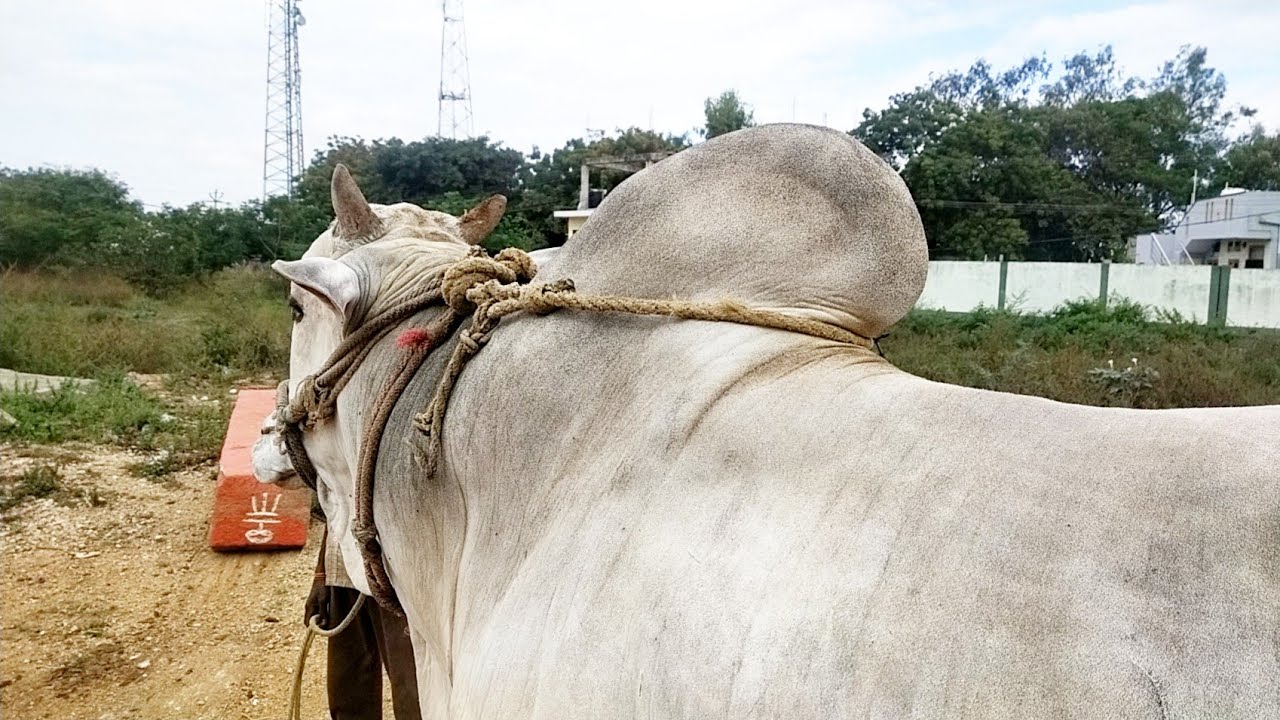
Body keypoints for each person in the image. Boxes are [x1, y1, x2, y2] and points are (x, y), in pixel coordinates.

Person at [308, 526, 421, 720]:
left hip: (395, 571)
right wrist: (321, 574)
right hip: (344, 566)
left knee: (411, 686)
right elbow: (334, 511)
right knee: (349, 688)